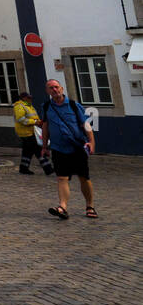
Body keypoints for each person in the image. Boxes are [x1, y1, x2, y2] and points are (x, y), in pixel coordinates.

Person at [40, 78, 97, 220]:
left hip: (76, 147)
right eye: (51, 88)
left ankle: (90, 206)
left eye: (56, 87)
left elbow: (86, 124)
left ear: (62, 88)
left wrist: (91, 142)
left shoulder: (73, 105)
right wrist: (45, 146)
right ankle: (62, 207)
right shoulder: (46, 107)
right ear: (47, 91)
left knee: (84, 178)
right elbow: (45, 127)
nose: (55, 90)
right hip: (58, 148)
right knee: (61, 178)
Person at [12, 91, 53, 175]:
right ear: (23, 98)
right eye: (28, 97)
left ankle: (23, 168)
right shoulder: (19, 106)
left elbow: (33, 117)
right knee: (38, 149)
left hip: (31, 131)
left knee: (27, 151)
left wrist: (39, 122)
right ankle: (48, 168)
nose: (31, 99)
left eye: (31, 97)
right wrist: (35, 122)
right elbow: (21, 119)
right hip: (26, 132)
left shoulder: (29, 105)